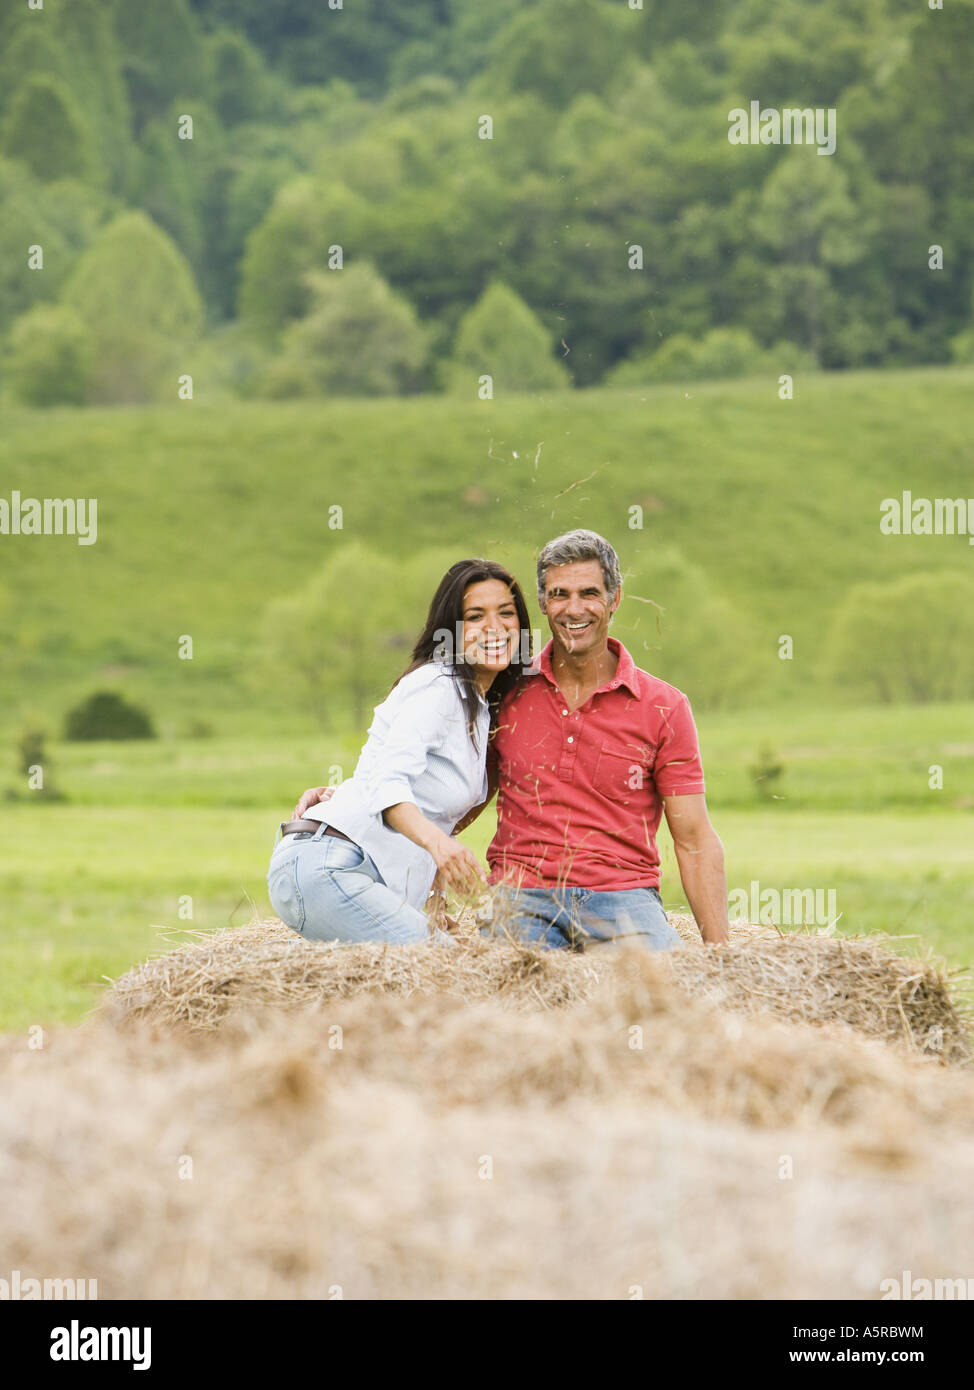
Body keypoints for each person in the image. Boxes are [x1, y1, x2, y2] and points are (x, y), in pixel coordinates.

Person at [474, 529, 731, 950]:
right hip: (520, 896)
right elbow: (455, 800)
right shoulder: (505, 692)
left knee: (659, 998)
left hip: (624, 897)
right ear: (542, 603)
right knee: (514, 997)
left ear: (614, 599)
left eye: (588, 593)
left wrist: (721, 956)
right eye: (559, 594)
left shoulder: (664, 707)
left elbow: (694, 838)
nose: (574, 609)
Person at [268, 558, 531, 944]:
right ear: (452, 632)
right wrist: (442, 847)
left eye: (506, 613)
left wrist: (434, 893)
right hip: (327, 867)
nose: (494, 627)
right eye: (475, 616)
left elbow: (434, 807)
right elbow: (389, 783)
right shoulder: (437, 686)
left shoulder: (476, 705)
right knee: (450, 969)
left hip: (356, 871)